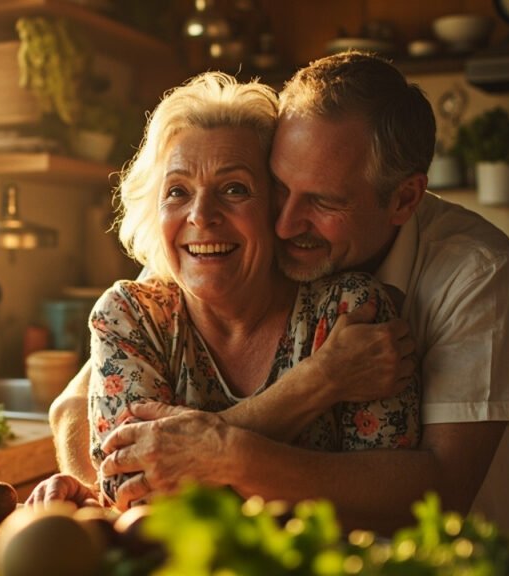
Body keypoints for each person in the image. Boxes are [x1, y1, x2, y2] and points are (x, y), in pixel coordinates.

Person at [36, 51, 509, 541]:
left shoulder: (471, 269)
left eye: (322, 201)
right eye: (278, 186)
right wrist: (313, 386)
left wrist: (217, 456)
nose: (285, 222)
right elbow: (76, 413)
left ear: (404, 198)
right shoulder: (199, 257)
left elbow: (441, 492)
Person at [75, 70, 420, 508]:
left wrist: (194, 462)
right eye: (178, 191)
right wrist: (320, 381)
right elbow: (130, 490)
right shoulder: (130, 317)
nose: (201, 215)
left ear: (276, 206)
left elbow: (390, 502)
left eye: (234, 188)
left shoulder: (349, 313)